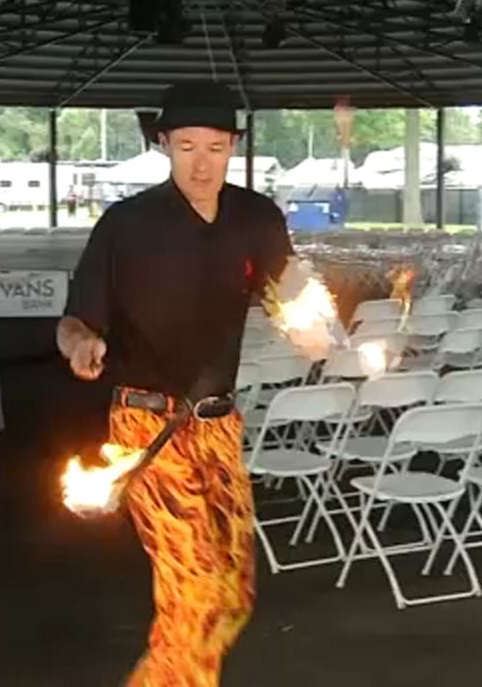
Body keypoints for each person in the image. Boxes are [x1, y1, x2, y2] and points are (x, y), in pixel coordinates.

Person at [56, 82, 292, 687]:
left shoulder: (257, 217)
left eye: (215, 146)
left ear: (234, 145)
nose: (202, 161)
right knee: (195, 591)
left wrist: (316, 322)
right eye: (187, 145)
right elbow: (74, 319)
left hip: (219, 423)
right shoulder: (126, 224)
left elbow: (290, 293)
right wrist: (81, 343)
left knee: (234, 590)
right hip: (148, 426)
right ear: (163, 144)